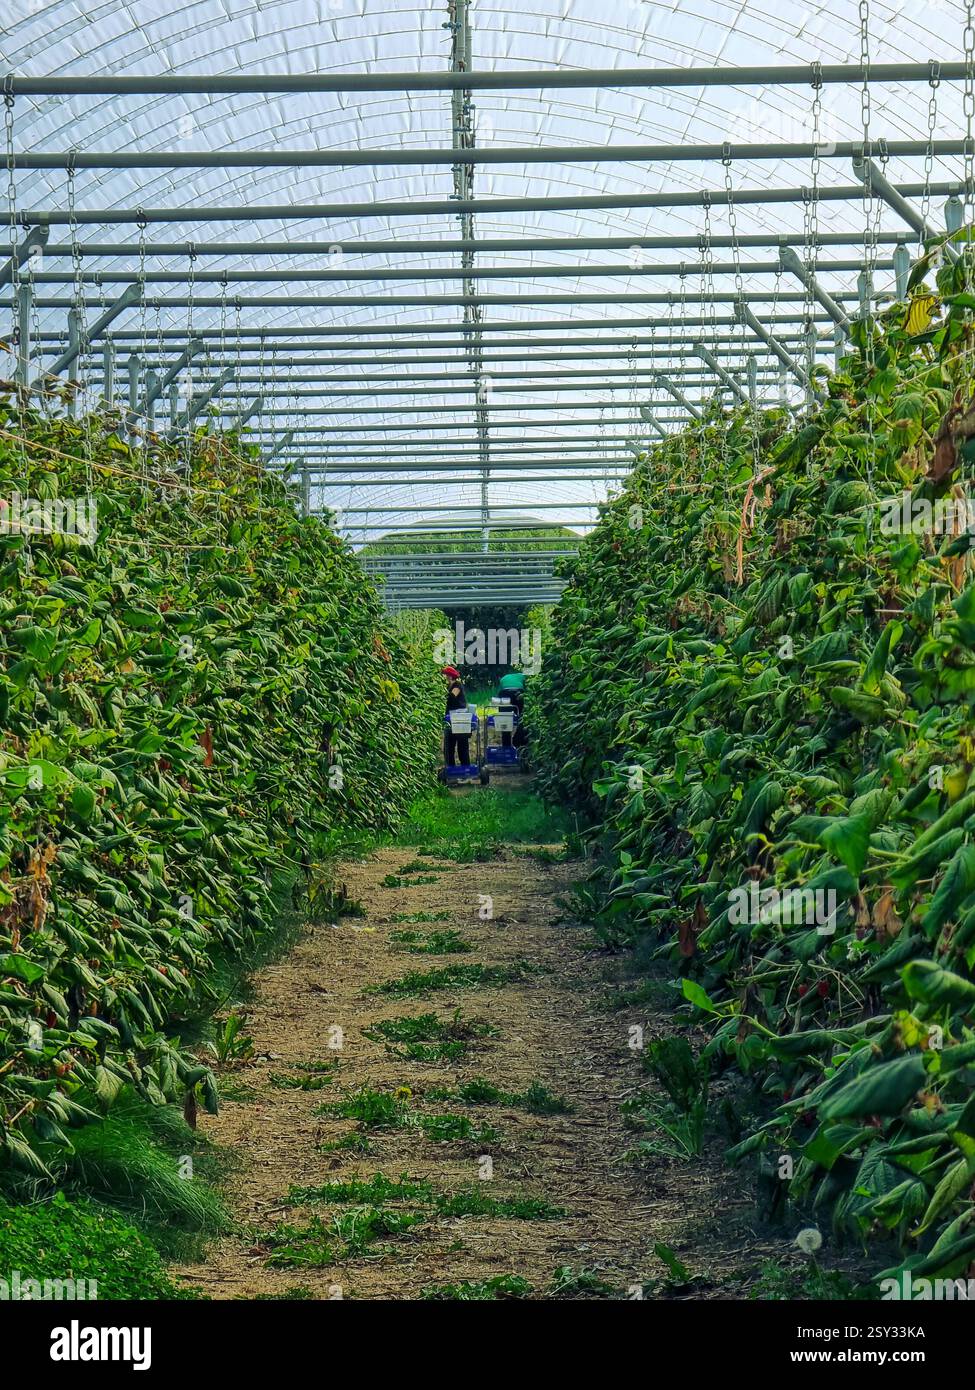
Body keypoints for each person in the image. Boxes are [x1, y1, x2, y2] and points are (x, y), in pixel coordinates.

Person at [495, 670, 527, 749]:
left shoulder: (504, 678)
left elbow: (499, 692)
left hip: (505, 693)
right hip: (518, 692)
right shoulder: (523, 676)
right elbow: (527, 690)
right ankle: (519, 741)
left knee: (505, 720)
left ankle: (506, 746)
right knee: (522, 717)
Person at [445, 678, 471, 766]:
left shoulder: (457, 685)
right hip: (451, 718)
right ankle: (450, 767)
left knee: (462, 745)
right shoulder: (448, 686)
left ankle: (465, 767)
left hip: (460, 717)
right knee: (449, 746)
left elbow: (452, 697)